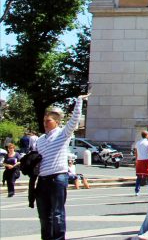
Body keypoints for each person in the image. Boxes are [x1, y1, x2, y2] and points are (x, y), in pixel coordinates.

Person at [35, 93, 87, 240]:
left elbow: (74, 119)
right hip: (43, 178)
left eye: (49, 120)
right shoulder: (39, 140)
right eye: (44, 120)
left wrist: (79, 101)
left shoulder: (63, 134)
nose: (45, 123)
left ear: (57, 122)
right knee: (44, 214)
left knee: (57, 213)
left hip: (58, 177)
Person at [134, 130, 148, 196]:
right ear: (147, 135)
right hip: (146, 160)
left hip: (139, 160)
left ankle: (137, 190)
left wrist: (136, 160)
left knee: (139, 176)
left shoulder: (137, 143)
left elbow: (136, 153)